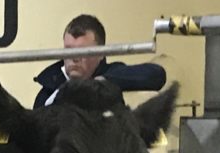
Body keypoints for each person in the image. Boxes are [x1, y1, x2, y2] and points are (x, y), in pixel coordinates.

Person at [32, 14, 167, 110]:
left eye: (83, 51)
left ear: (101, 53)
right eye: (68, 50)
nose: (74, 58)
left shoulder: (112, 76)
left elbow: (155, 75)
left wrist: (100, 82)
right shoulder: (47, 93)